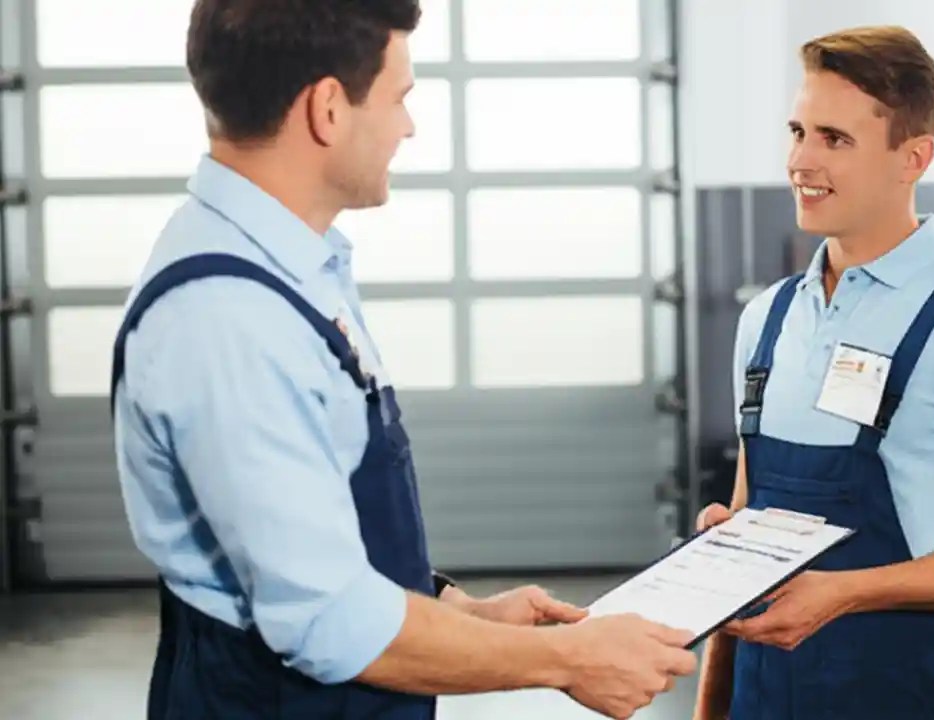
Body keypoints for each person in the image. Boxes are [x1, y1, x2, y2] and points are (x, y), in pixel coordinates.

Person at [110, 2, 696, 719]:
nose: (408, 126)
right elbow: (327, 620)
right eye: (399, 98)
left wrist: (459, 613)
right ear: (328, 108)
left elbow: (315, 529)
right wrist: (568, 659)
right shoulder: (228, 317)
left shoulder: (292, 267)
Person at [691, 26, 934, 720]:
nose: (801, 161)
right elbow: (745, 530)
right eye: (797, 131)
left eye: (833, 139)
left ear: (914, 157)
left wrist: (846, 591)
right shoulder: (769, 319)